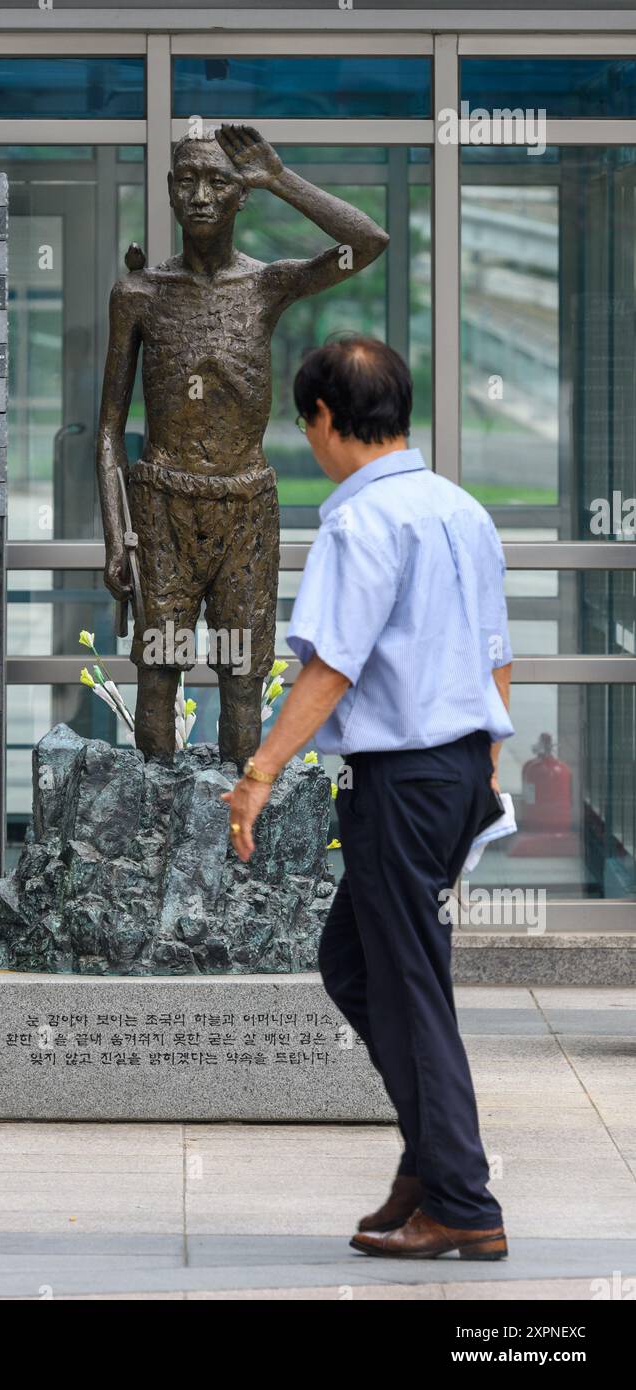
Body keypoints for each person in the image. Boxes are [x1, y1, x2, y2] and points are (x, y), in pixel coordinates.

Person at [222, 336, 514, 1261]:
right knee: (354, 965)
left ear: (320, 418)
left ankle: (462, 1201)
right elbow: (497, 653)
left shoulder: (360, 524)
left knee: (406, 982)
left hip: (402, 780)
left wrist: (258, 774)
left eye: (302, 422)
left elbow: (331, 666)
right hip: (456, 768)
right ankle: (432, 1163)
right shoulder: (461, 509)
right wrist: (484, 767)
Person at [96, 123, 389, 765]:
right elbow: (110, 430)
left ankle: (240, 836)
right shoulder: (139, 294)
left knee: (243, 676)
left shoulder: (268, 285)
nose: (200, 195)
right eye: (187, 181)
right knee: (157, 673)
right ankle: (156, 836)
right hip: (162, 504)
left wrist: (280, 178)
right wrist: (118, 535)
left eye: (218, 181)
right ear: (171, 192)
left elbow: (367, 241)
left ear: (240, 195)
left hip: (245, 508)